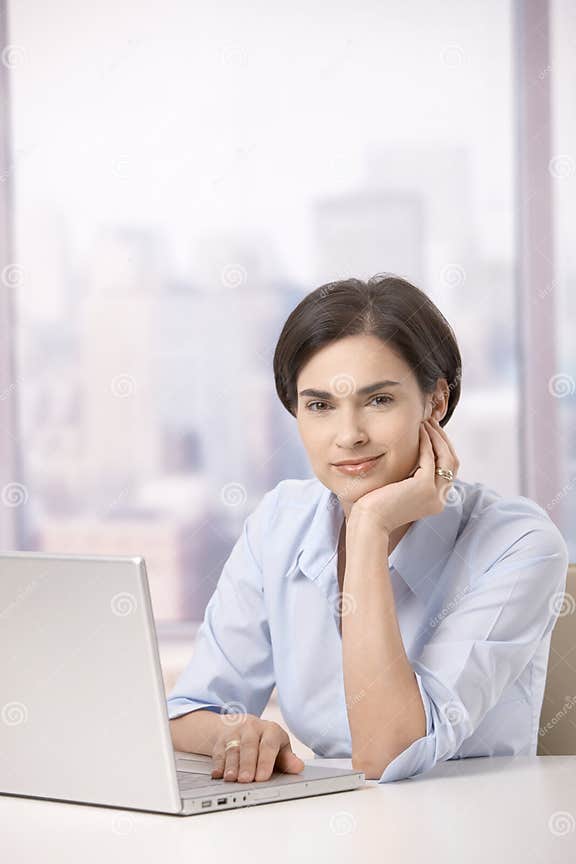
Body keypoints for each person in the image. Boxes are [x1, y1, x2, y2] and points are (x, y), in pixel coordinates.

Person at [168, 274, 569, 784]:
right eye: (319, 406)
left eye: (378, 400)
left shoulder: (518, 543)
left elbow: (387, 754)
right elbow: (188, 710)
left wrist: (368, 530)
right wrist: (233, 734)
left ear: (435, 402)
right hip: (332, 828)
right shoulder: (280, 522)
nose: (349, 435)